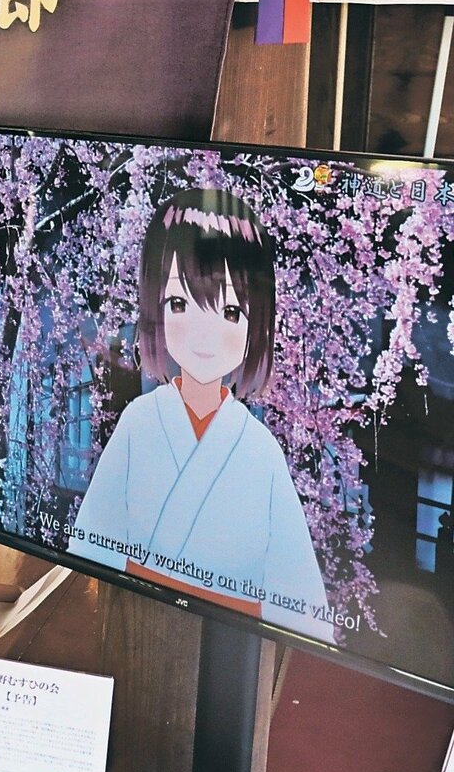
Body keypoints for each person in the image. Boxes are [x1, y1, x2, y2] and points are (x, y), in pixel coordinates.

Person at [69, 187, 333, 642]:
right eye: (179, 304)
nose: (204, 333)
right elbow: (90, 545)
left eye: (231, 310)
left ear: (258, 322)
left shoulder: (260, 450)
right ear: (155, 308)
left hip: (234, 646)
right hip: (131, 626)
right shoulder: (138, 422)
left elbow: (301, 603)